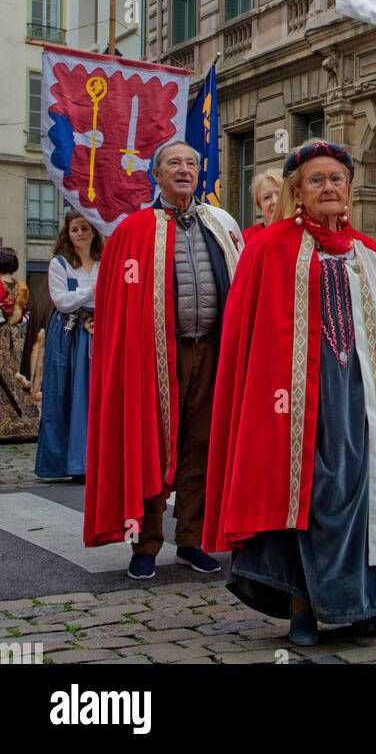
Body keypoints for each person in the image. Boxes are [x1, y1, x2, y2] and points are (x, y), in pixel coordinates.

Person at [204, 141, 376, 647]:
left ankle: (374, 606)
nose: (328, 187)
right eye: (316, 180)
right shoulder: (269, 248)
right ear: (298, 193)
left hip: (365, 396)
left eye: (336, 179)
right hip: (293, 402)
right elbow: (252, 335)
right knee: (305, 494)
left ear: (349, 188)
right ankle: (301, 607)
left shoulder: (370, 253)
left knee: (373, 490)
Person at [84, 140, 243, 581]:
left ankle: (191, 541)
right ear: (156, 174)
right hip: (153, 353)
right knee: (150, 443)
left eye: (191, 163)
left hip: (211, 349)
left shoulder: (220, 224)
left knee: (201, 445)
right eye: (174, 163)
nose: (184, 169)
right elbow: (116, 303)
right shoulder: (133, 229)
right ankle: (147, 543)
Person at [34, 214, 102, 477]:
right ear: (68, 233)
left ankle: (94, 460)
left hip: (98, 329)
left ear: (94, 232)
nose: (80, 233)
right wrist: (91, 292)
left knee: (93, 395)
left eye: (85, 228)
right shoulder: (59, 264)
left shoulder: (103, 262)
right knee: (66, 394)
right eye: (75, 229)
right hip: (69, 334)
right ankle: (70, 462)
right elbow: (62, 301)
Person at [0, 248, 40, 442]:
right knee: (17, 371)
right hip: (16, 334)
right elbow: (24, 312)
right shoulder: (21, 285)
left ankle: (6, 422)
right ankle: (25, 420)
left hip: (1, 332)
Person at [243, 169, 283, 242]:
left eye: (280, 194)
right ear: (260, 206)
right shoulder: (247, 238)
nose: (275, 201)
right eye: (267, 197)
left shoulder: (305, 233)